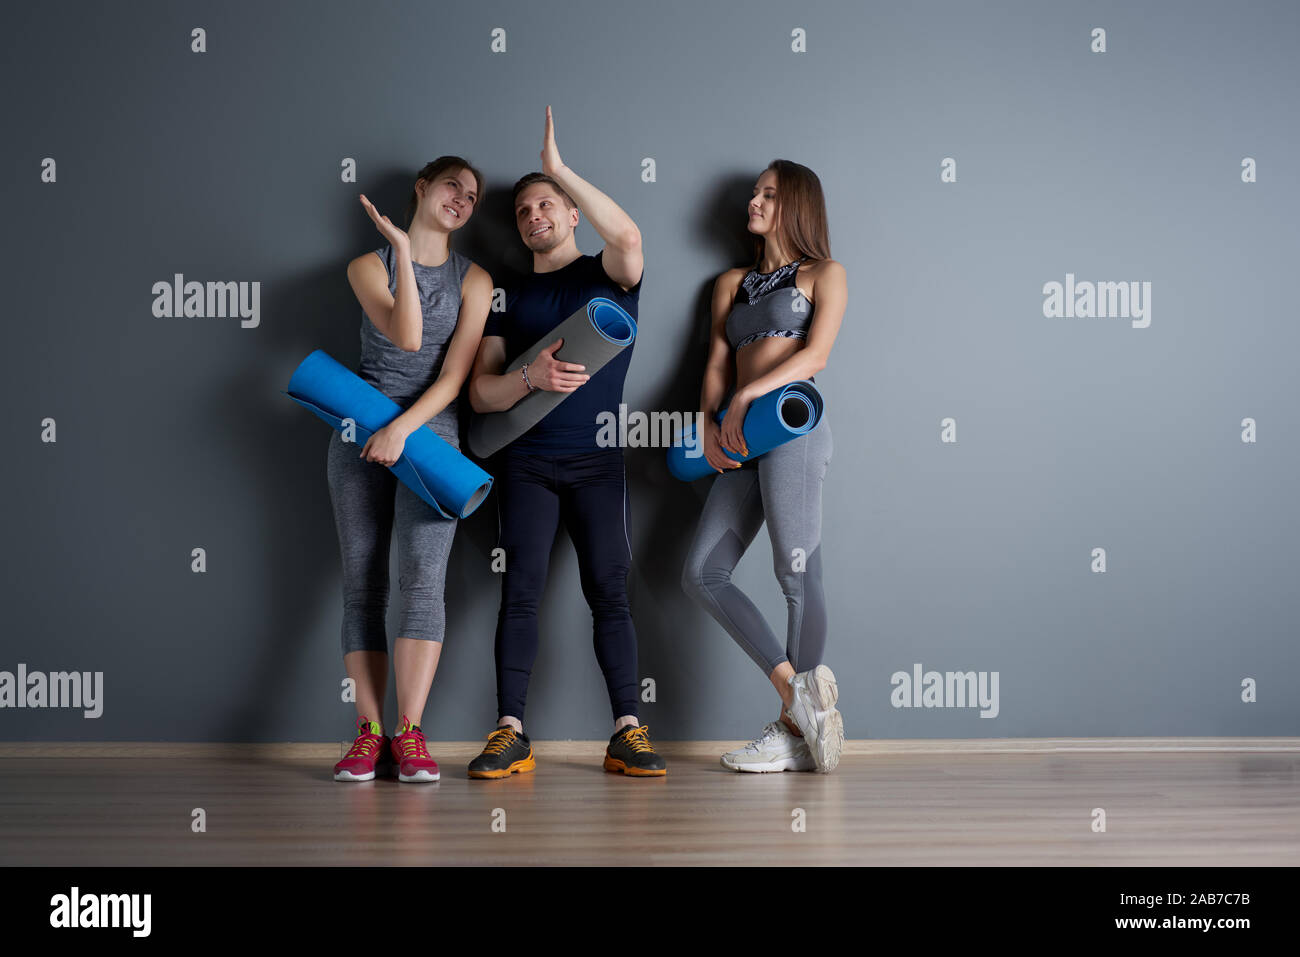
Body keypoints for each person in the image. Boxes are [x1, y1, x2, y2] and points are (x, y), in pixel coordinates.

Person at [465, 106, 665, 778]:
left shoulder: (605, 277)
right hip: (526, 465)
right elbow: (479, 393)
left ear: (572, 211)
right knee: (518, 589)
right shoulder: (505, 294)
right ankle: (510, 731)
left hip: (599, 463)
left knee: (609, 589)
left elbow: (632, 235)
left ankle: (627, 731)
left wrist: (561, 170)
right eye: (522, 209)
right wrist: (530, 376)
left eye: (546, 203)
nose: (532, 216)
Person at [329, 157, 493, 783]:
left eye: (472, 196)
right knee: (361, 581)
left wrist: (404, 428)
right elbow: (404, 337)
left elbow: (453, 376)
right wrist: (400, 249)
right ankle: (368, 734)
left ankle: (410, 733)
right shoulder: (365, 266)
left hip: (432, 438)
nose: (462, 199)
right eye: (453, 185)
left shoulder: (474, 278)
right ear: (424, 188)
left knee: (424, 581)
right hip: (358, 434)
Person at [680, 160, 848, 773]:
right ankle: (798, 702)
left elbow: (818, 355)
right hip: (735, 436)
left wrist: (750, 397)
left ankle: (791, 737)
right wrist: (707, 421)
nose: (755, 201)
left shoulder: (825, 274)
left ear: (796, 204)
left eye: (769, 194)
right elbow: (717, 365)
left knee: (796, 571)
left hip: (793, 427)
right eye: (755, 192)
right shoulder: (729, 283)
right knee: (701, 573)